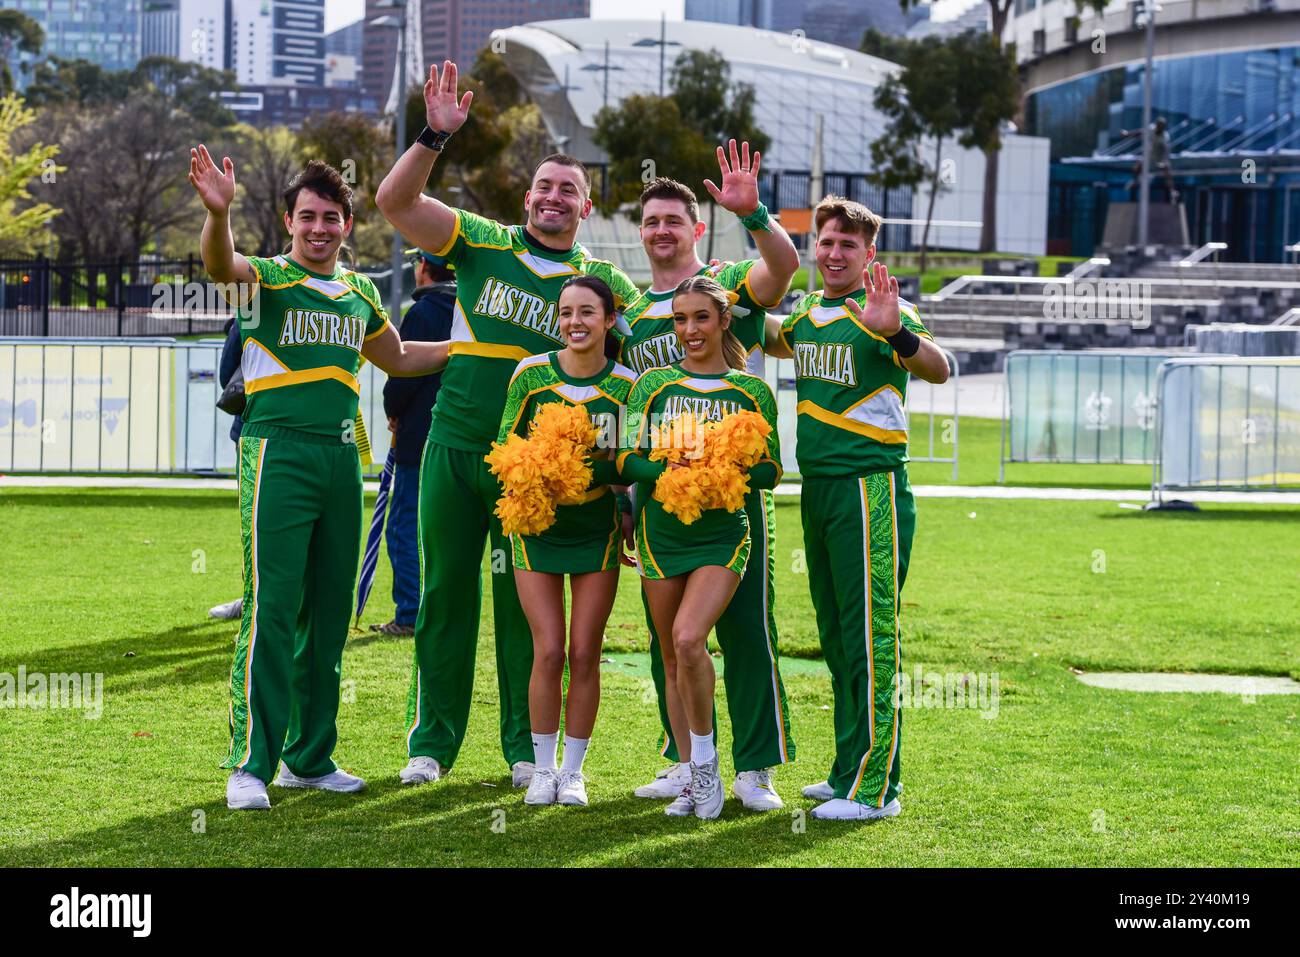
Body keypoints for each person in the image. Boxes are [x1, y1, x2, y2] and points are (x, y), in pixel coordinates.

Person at [375, 61, 639, 789]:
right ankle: (430, 744)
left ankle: (528, 749)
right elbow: (395, 202)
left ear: (586, 209)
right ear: (528, 199)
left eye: (569, 191)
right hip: (454, 451)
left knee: (529, 615)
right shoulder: (484, 242)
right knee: (443, 598)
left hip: (539, 471)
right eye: (545, 187)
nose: (554, 197)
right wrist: (434, 134)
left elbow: (655, 357)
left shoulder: (602, 285)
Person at [188, 147, 450, 811]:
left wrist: (469, 346)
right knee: (273, 609)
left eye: (332, 217)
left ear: (349, 224)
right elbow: (220, 264)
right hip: (276, 452)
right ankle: (251, 762)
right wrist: (217, 214)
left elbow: (398, 356)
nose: (320, 227)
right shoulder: (266, 279)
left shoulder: (360, 293)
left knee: (331, 613)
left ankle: (309, 757)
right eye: (308, 216)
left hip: (342, 460)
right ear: (288, 221)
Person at [616, 150, 800, 811]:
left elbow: (783, 268)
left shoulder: (727, 285)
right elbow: (623, 414)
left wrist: (750, 209)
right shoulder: (633, 314)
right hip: (662, 505)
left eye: (674, 220)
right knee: (670, 640)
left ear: (696, 229)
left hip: (732, 502)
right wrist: (626, 499)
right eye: (650, 221)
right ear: (640, 231)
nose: (661, 230)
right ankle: (688, 760)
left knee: (746, 631)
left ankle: (755, 767)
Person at [764, 196, 949, 821]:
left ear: (869, 253)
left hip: (871, 490)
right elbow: (760, 332)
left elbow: (940, 369)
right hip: (818, 491)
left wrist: (894, 329)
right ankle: (848, 769)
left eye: (849, 244)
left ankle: (876, 790)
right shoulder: (808, 315)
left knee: (871, 638)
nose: (835, 252)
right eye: (826, 241)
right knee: (839, 638)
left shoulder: (884, 314)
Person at [495, 276, 635, 807]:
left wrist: (621, 502)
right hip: (538, 528)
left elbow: (629, 460)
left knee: (584, 650)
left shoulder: (626, 384)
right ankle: (543, 767)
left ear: (606, 320)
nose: (575, 322)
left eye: (587, 313)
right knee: (548, 649)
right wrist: (534, 472)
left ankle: (574, 771)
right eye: (566, 312)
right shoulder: (530, 375)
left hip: (595, 529)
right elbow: (506, 445)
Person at [372, 250, 456, 637]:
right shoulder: (469, 309)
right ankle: (436, 611)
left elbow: (402, 371)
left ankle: (410, 612)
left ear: (423, 267)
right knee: (441, 532)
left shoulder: (424, 312)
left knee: (404, 528)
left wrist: (393, 409)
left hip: (418, 440)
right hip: (452, 440)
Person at [208, 316, 246, 622]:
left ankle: (255, 600)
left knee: (255, 525)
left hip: (256, 433)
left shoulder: (253, 306)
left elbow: (227, 376)